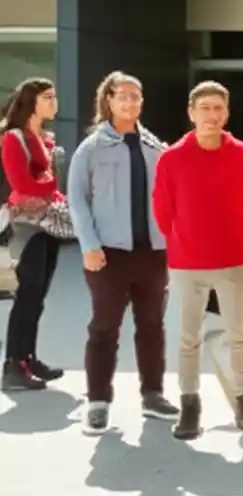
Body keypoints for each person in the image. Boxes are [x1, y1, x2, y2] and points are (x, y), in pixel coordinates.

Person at [154, 80, 243, 440]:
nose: (211, 115)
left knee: (240, 335)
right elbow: (163, 211)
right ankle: (189, 409)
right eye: (204, 108)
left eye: (217, 108)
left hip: (235, 261)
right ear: (191, 113)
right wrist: (182, 243)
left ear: (227, 113)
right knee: (188, 339)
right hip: (187, 264)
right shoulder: (172, 157)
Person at [67, 72, 179, 433]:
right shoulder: (92, 148)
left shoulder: (154, 146)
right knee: (104, 329)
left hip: (152, 254)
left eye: (136, 96)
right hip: (108, 256)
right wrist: (89, 246)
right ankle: (98, 402)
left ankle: (152, 395)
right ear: (108, 101)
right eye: (123, 96)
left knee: (152, 327)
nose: (130, 102)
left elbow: (169, 199)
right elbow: (78, 201)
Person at [0, 77, 64, 391]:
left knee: (38, 296)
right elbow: (22, 185)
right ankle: (13, 365)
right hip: (26, 226)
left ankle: (28, 358)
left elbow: (44, 188)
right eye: (48, 97)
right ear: (31, 101)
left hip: (47, 223)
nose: (54, 102)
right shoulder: (13, 137)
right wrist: (55, 184)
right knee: (27, 295)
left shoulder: (43, 138)